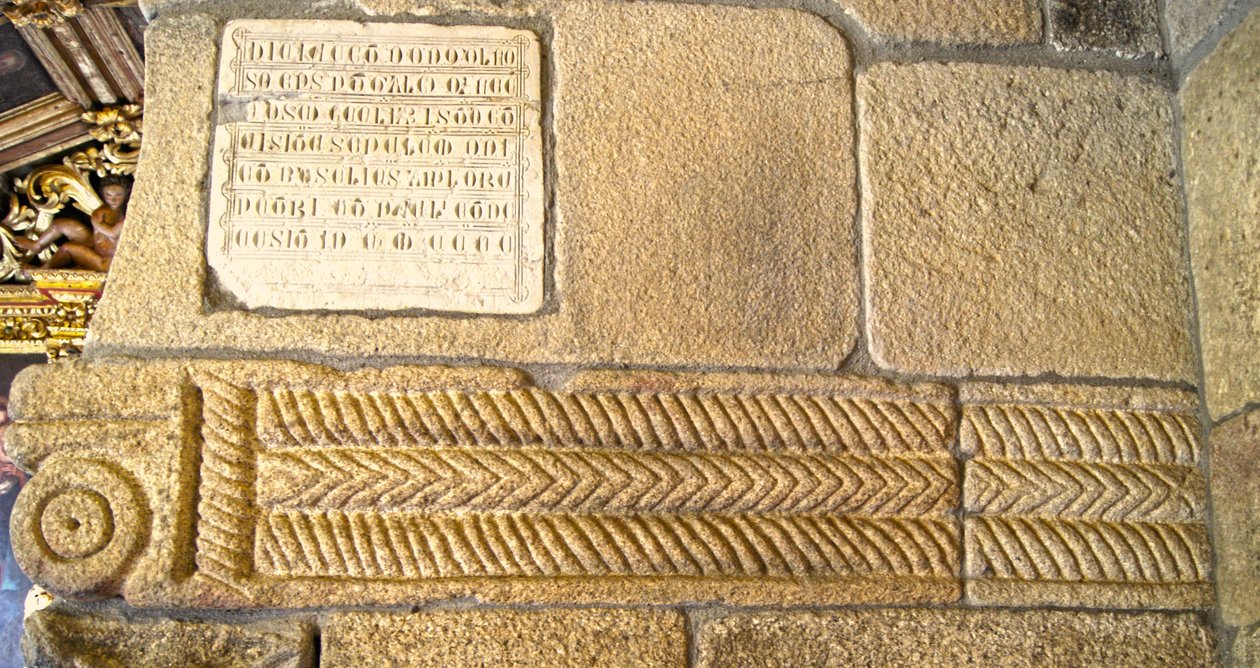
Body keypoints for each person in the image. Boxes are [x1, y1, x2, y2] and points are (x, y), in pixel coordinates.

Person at [14, 175, 130, 271]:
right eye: (108, 195)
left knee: (68, 248)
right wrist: (125, 223)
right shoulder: (99, 213)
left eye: (118, 195)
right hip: (95, 246)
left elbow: (115, 234)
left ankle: (42, 271)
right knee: (63, 224)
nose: (113, 200)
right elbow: (111, 233)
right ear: (103, 195)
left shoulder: (129, 212)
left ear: (126, 194)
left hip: (106, 263)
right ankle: (37, 245)